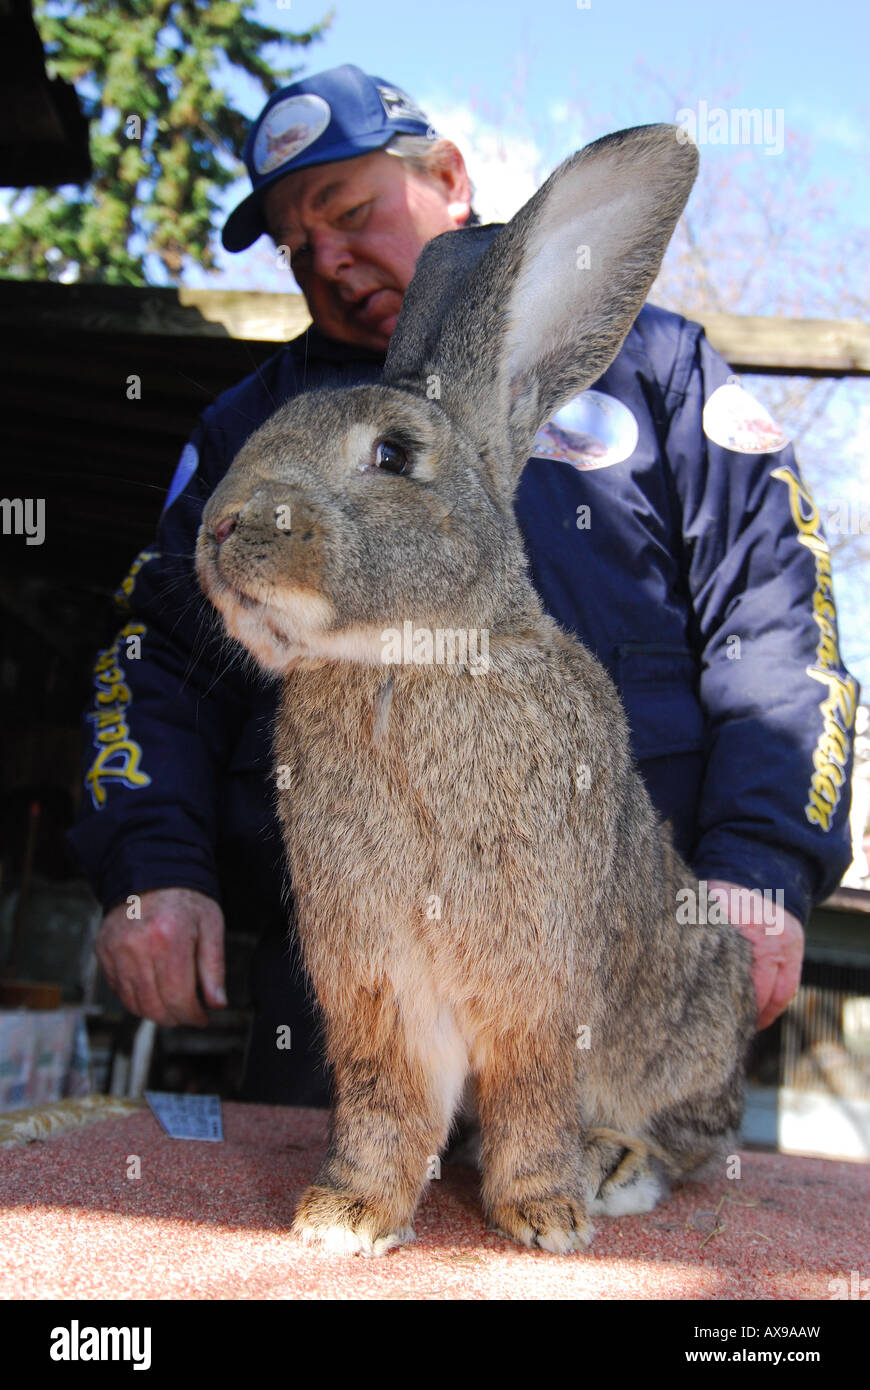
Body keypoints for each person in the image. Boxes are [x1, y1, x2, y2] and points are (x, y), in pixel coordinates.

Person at [67, 64, 858, 1107]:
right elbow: (153, 654)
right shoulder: (246, 435)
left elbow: (775, 613)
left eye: (350, 212)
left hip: (620, 973)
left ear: (449, 174)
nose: (330, 260)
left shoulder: (660, 375)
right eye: (298, 246)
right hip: (352, 990)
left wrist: (760, 864)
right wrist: (152, 864)